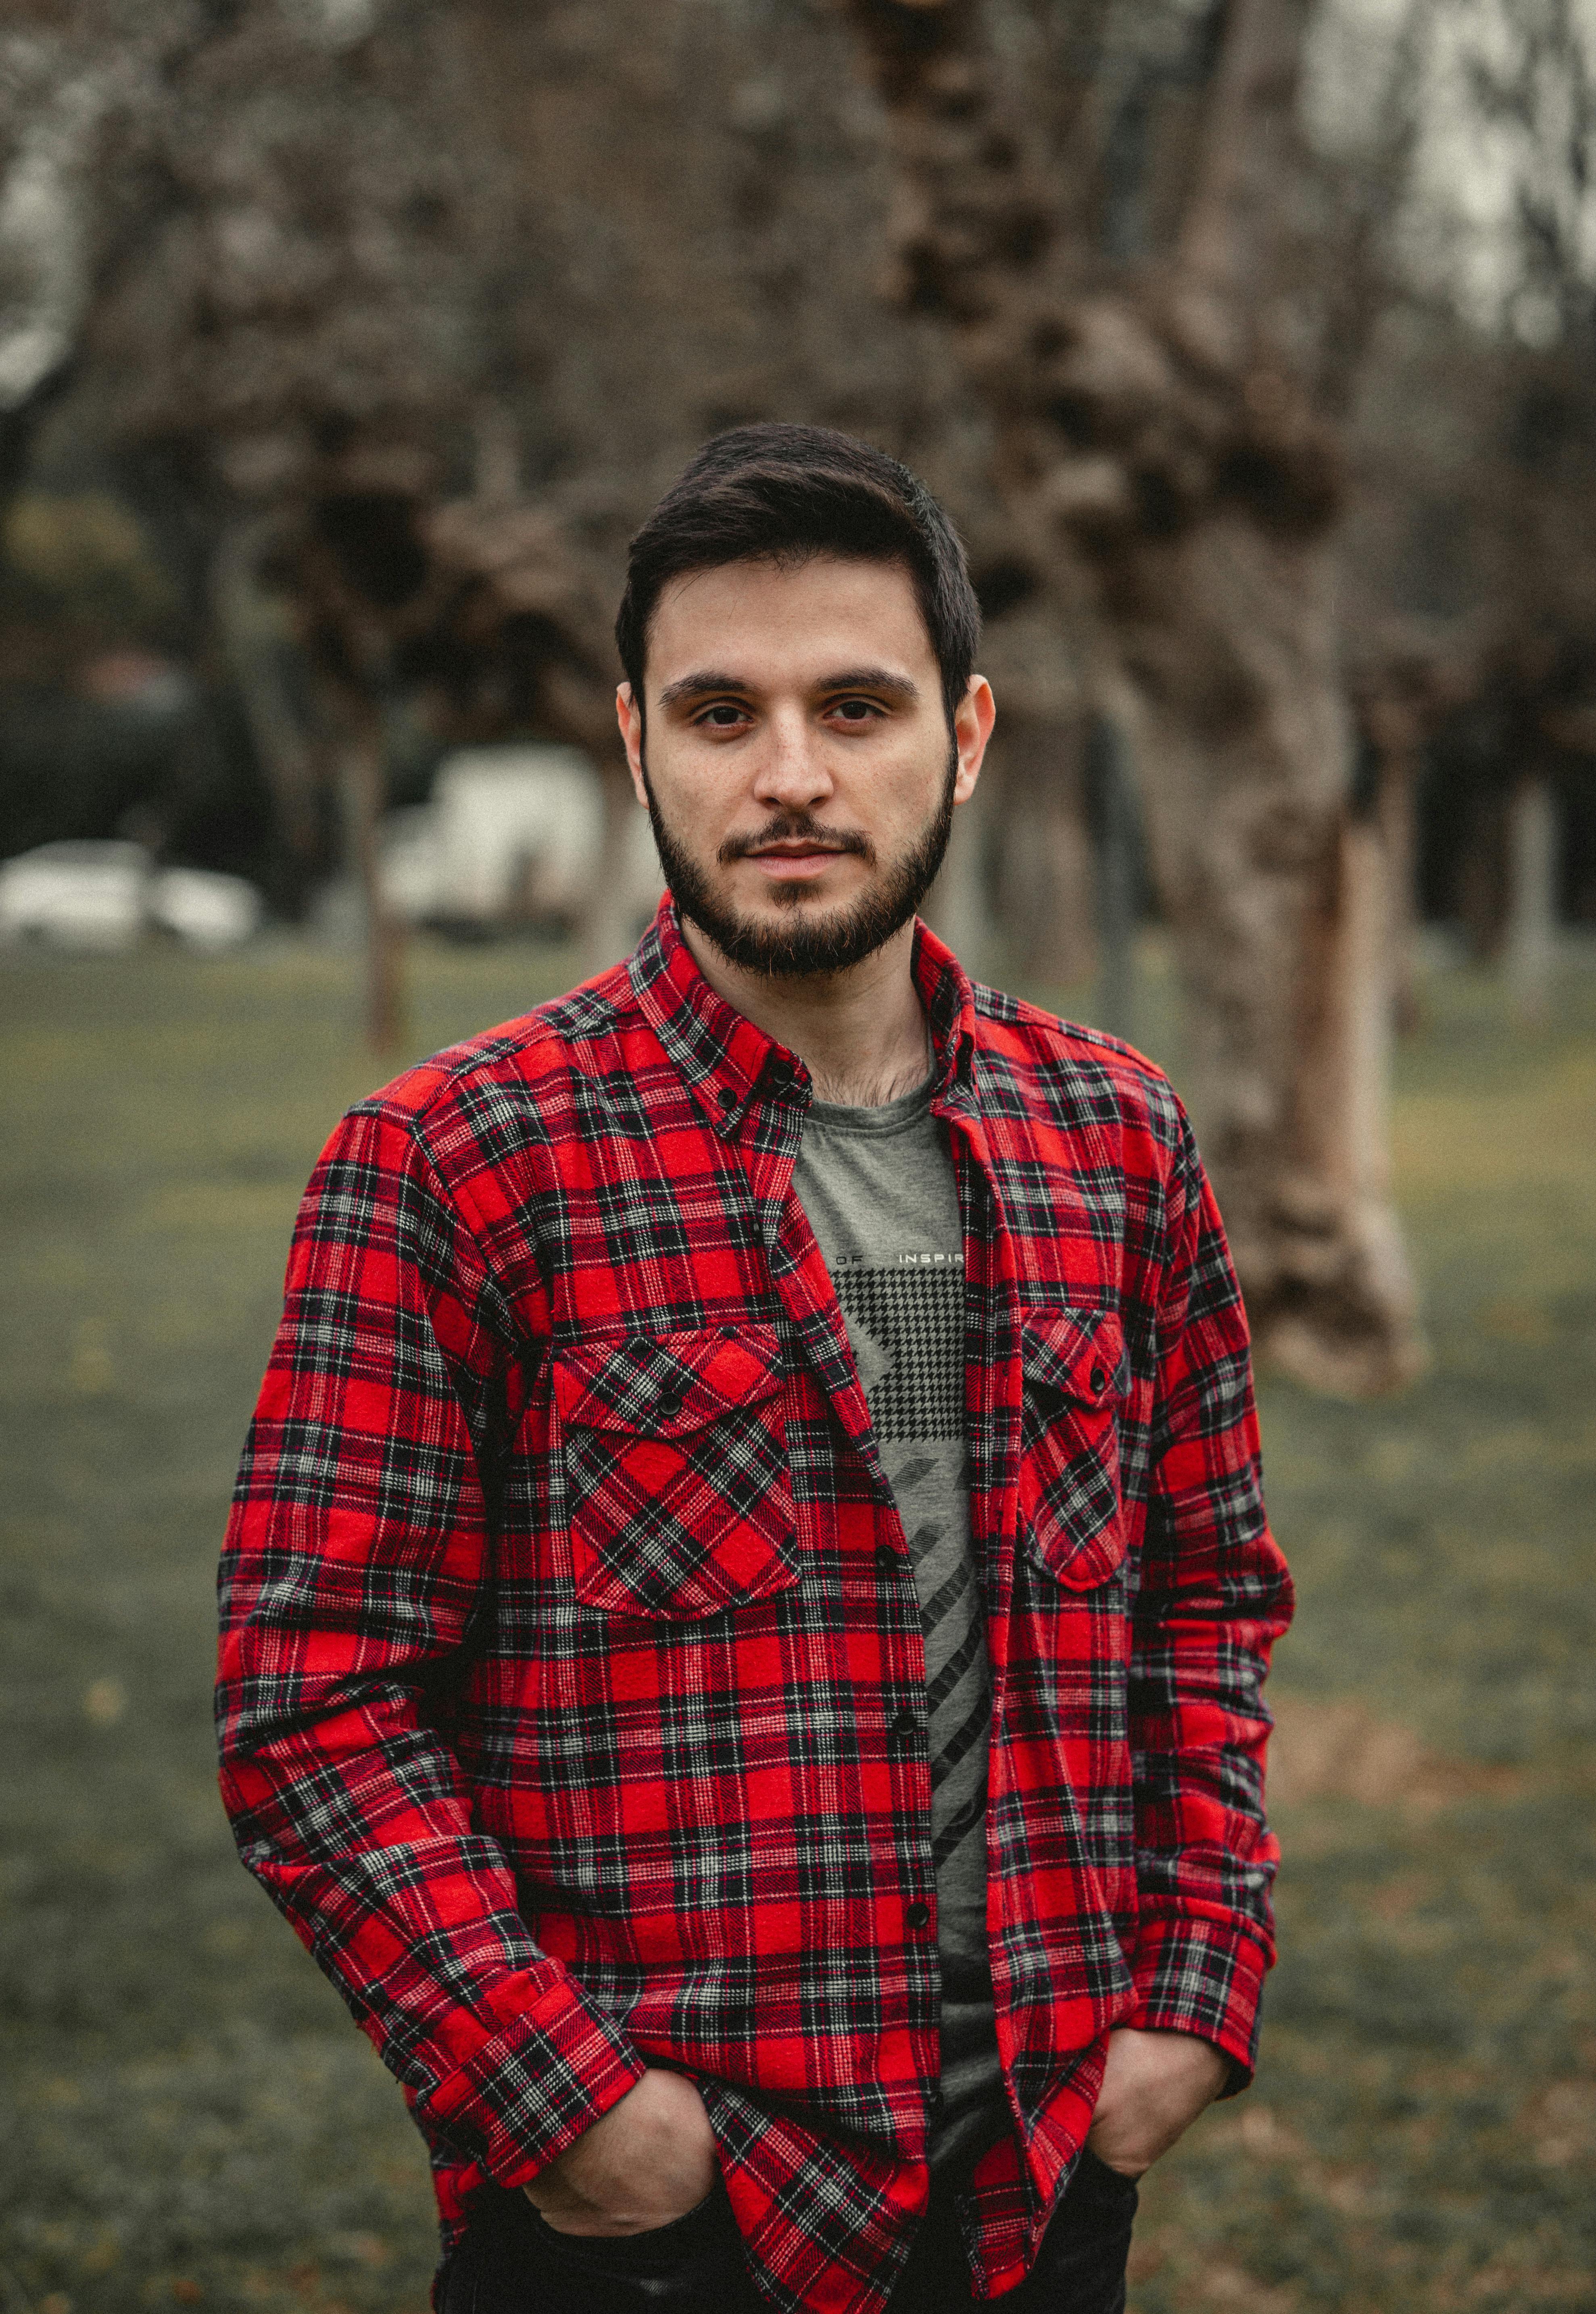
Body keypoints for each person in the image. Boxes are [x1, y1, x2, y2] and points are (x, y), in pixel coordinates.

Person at [217, 424, 1293, 2314]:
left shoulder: (1120, 1139)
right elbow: (312, 1711)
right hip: (660, 2227)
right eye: (721, 713)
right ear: (633, 744)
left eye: (855, 706)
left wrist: (1190, 1996)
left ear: (964, 737)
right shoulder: (456, 1165)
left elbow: (1205, 1601)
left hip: (1044, 2188)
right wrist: (579, 2117)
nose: (790, 775)